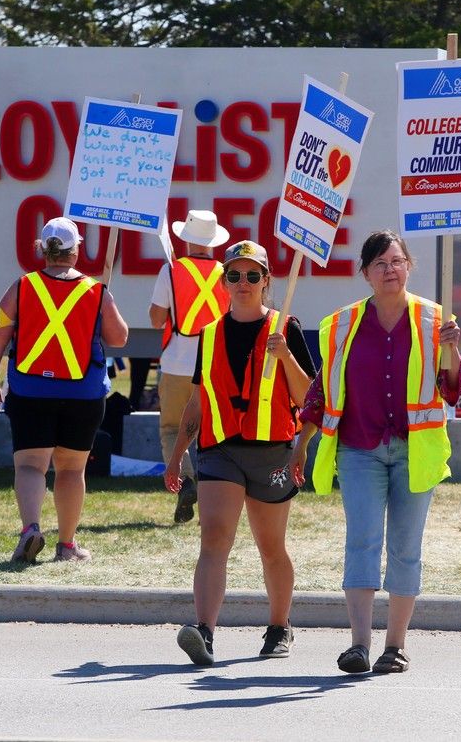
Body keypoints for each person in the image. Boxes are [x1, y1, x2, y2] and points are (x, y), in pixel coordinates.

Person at [290, 230, 461, 675]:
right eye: (380, 264)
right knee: (363, 543)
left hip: (416, 450)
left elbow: (453, 390)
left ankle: (395, 647)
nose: (390, 270)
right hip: (359, 450)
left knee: (406, 549)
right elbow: (322, 389)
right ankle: (358, 646)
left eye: (397, 261)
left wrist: (452, 349)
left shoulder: (435, 320)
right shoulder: (342, 325)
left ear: (409, 265)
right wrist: (302, 442)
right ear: (365, 274)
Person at [165, 239, 316, 666]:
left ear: (267, 281)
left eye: (253, 275)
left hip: (271, 451)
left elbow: (310, 398)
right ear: (224, 281)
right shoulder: (209, 333)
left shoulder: (286, 327)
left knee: (271, 547)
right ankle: (204, 631)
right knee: (214, 538)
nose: (243, 282)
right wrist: (177, 455)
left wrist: (286, 356)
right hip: (220, 450)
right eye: (235, 274)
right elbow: (196, 402)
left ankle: (279, 625)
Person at [0, 217, 129, 563]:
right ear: (76, 250)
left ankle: (31, 529)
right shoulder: (95, 291)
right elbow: (119, 338)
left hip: (30, 391)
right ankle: (67, 545)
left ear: (41, 249)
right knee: (72, 470)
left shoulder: (21, 287)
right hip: (84, 394)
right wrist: (103, 301)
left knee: (31, 466)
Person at [150, 210, 231, 524]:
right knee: (214, 432)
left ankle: (184, 479)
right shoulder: (228, 273)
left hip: (177, 362)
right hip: (215, 362)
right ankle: (219, 495)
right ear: (212, 241)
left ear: (186, 238)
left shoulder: (170, 270)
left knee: (172, 429)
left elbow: (157, 319)